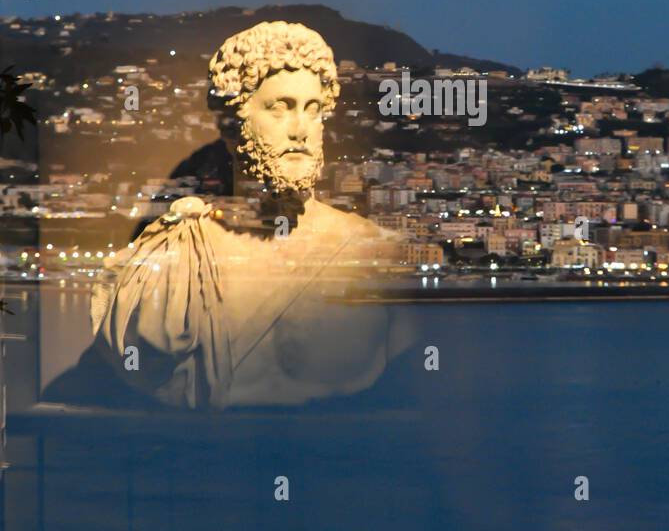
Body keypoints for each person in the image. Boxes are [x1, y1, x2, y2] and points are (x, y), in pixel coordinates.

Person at [51, 21, 406, 409]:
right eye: (280, 107)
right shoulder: (175, 254)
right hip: (194, 462)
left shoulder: (372, 251)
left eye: (314, 109)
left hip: (338, 464)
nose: (301, 129)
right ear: (231, 125)